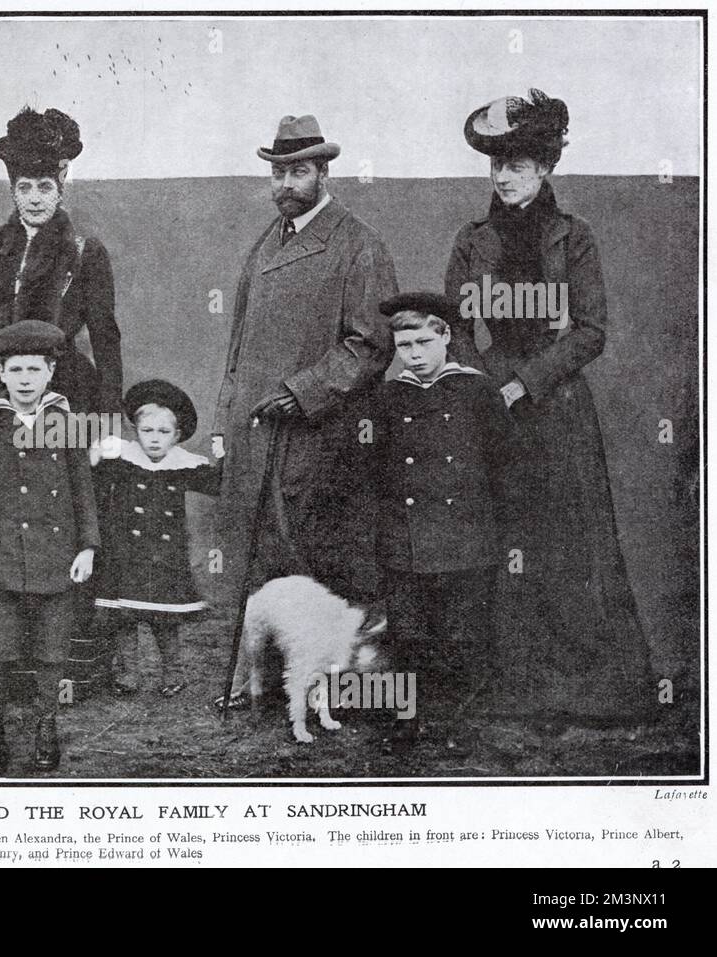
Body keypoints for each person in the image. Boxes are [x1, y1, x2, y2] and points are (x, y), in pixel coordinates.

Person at [445, 89, 654, 727]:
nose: (504, 175)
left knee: (567, 541)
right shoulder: (471, 239)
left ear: (545, 168)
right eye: (496, 164)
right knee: (500, 538)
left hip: (558, 410)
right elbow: (454, 325)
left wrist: (525, 384)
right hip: (489, 408)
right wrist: (482, 385)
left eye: (519, 163)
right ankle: (513, 683)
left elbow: (591, 331)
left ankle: (588, 689)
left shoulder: (576, 238)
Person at [212, 114, 397, 709]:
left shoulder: (358, 243)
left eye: (299, 171)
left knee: (321, 558)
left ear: (323, 172)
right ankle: (267, 684)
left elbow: (371, 342)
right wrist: (226, 420)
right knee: (266, 559)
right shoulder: (267, 241)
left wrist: (304, 392)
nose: (286, 183)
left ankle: (339, 686)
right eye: (278, 171)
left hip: (324, 436)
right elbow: (238, 347)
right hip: (258, 435)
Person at [0, 320, 100, 773]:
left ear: (50, 372)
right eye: (15, 370)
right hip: (0, 556)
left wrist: (88, 547)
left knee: (52, 650)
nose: (25, 379)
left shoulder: (66, 422)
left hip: (56, 555)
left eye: (34, 370)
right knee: (0, 649)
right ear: (1, 374)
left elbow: (82, 489)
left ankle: (45, 726)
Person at [369, 293, 515, 753]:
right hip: (406, 540)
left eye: (424, 342)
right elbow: (372, 470)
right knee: (408, 636)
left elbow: (506, 464)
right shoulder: (390, 396)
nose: (414, 354)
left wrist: (499, 531)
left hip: (466, 540)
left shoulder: (479, 391)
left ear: (446, 336)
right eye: (404, 345)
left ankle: (457, 724)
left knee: (462, 636)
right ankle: (407, 721)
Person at [0, 106, 122, 415]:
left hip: (67, 396)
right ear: (13, 192)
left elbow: (106, 342)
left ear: (59, 191)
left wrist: (109, 422)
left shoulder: (84, 253)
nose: (35, 198)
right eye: (25, 187)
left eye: (45, 187)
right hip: (1, 398)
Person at [90, 380, 221, 697]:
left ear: (177, 436)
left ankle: (173, 674)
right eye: (147, 431)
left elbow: (221, 485)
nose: (154, 439)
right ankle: (127, 675)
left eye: (163, 432)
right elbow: (89, 481)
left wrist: (225, 457)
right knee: (124, 620)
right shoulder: (121, 459)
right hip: (125, 553)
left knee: (166, 621)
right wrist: (94, 455)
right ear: (135, 429)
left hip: (165, 557)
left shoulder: (184, 464)